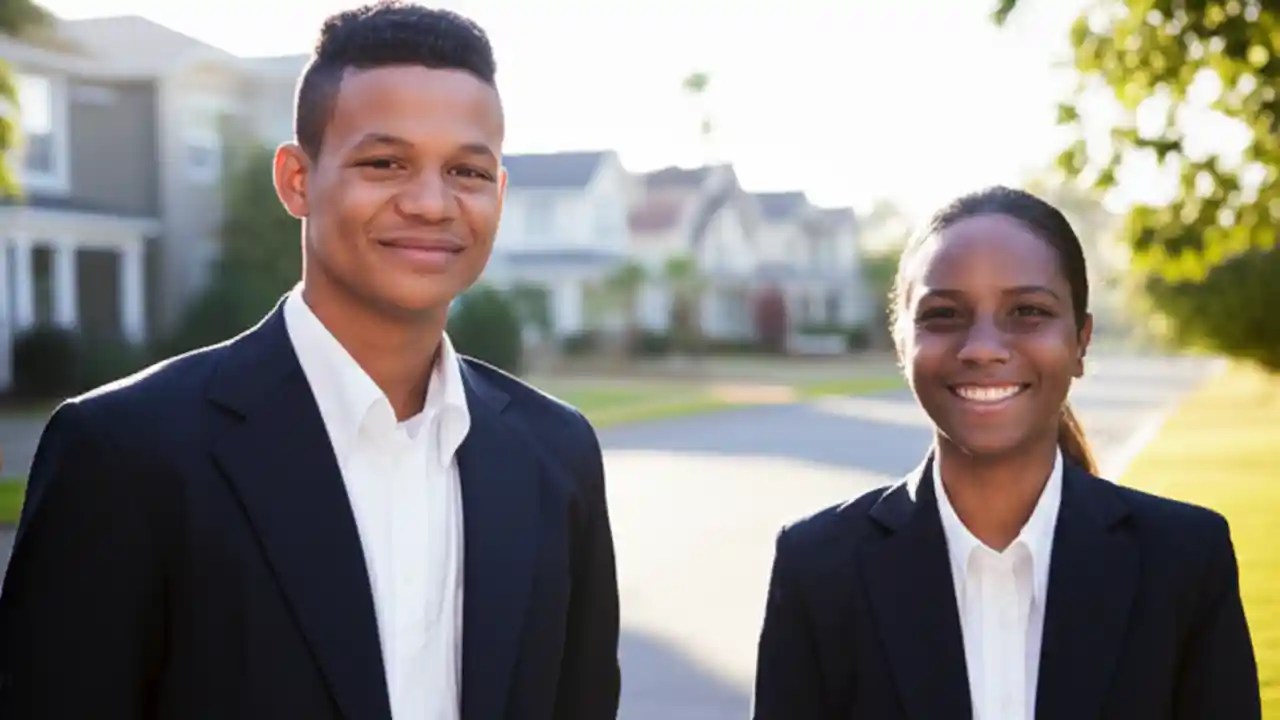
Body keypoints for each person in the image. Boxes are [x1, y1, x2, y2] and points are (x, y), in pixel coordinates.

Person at [0, 4, 620, 718]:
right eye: (384, 162)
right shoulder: (127, 453)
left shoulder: (556, 454)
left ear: (499, 196)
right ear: (297, 179)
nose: (430, 202)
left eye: (466, 170)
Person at [751, 186, 1260, 720]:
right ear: (903, 345)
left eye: (1028, 311)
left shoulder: (1182, 561)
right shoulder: (817, 567)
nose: (984, 347)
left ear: (1081, 341)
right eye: (944, 314)